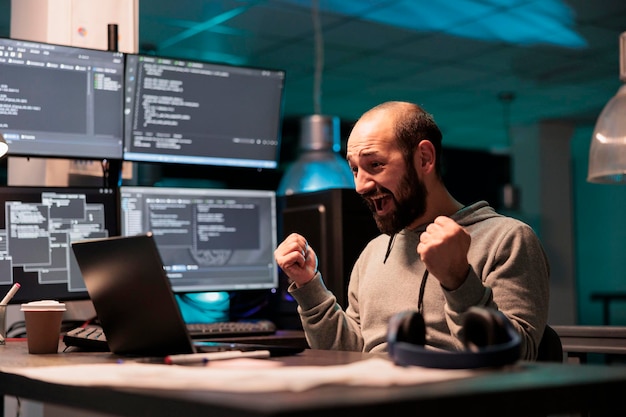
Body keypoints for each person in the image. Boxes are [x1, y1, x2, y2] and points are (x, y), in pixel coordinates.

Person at [274, 101, 550, 360]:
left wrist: (459, 280)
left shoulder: (507, 238)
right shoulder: (373, 253)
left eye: (375, 165)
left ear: (424, 159)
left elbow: (519, 357)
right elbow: (351, 353)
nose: (360, 186)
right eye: (355, 169)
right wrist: (309, 286)